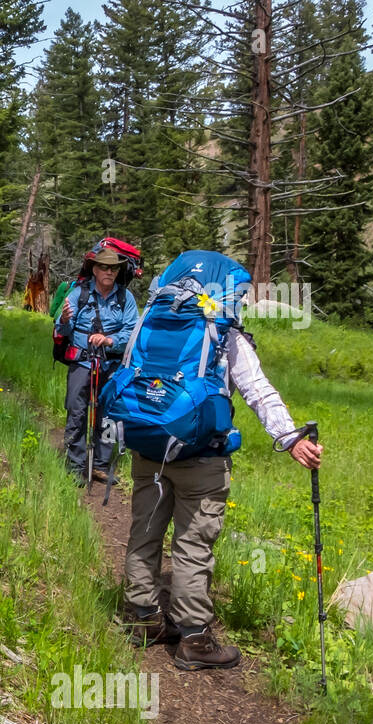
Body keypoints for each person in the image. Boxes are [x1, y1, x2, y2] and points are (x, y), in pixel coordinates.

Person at [119, 256, 323, 671]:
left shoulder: (152, 321)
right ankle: (193, 638)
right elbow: (257, 391)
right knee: (193, 545)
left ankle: (143, 619)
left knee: (144, 532)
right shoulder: (223, 334)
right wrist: (290, 439)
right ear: (226, 292)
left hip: (148, 446)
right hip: (202, 456)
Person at [56, 245, 140, 484]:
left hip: (112, 363)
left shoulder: (126, 298)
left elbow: (133, 332)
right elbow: (61, 328)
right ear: (94, 269)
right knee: (76, 410)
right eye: (104, 267)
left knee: (110, 413)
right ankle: (75, 466)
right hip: (82, 361)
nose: (109, 272)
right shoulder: (78, 294)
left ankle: (101, 465)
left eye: (113, 268)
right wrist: (63, 321)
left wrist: (110, 340)